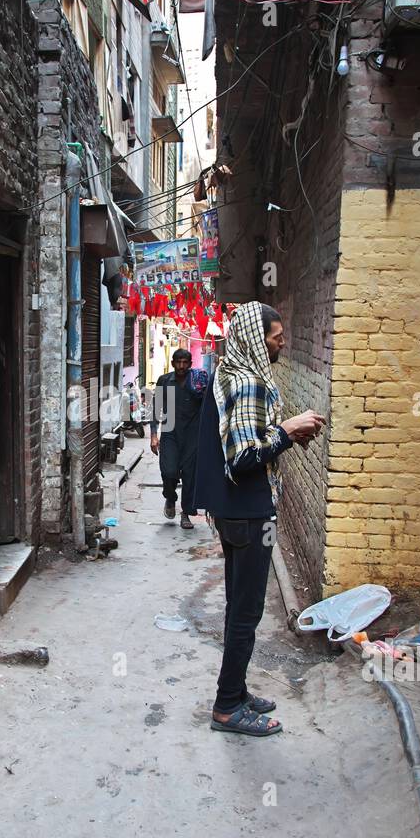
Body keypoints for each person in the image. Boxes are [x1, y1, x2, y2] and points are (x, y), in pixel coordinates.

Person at [193, 302, 325, 736]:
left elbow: (244, 442)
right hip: (247, 513)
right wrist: (287, 431)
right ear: (255, 337)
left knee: (238, 608)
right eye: (276, 336)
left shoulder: (230, 374)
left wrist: (287, 436)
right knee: (246, 612)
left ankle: (236, 689)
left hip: (236, 511)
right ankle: (228, 706)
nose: (282, 343)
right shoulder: (247, 382)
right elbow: (245, 457)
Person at [149, 348, 207, 529]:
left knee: (190, 476)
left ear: (190, 365)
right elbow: (156, 407)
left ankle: (186, 514)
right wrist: (153, 434)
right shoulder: (164, 381)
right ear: (173, 363)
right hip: (170, 432)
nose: (181, 366)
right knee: (169, 471)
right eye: (178, 362)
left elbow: (208, 408)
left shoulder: (198, 383)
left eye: (185, 362)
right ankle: (170, 497)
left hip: (192, 436)